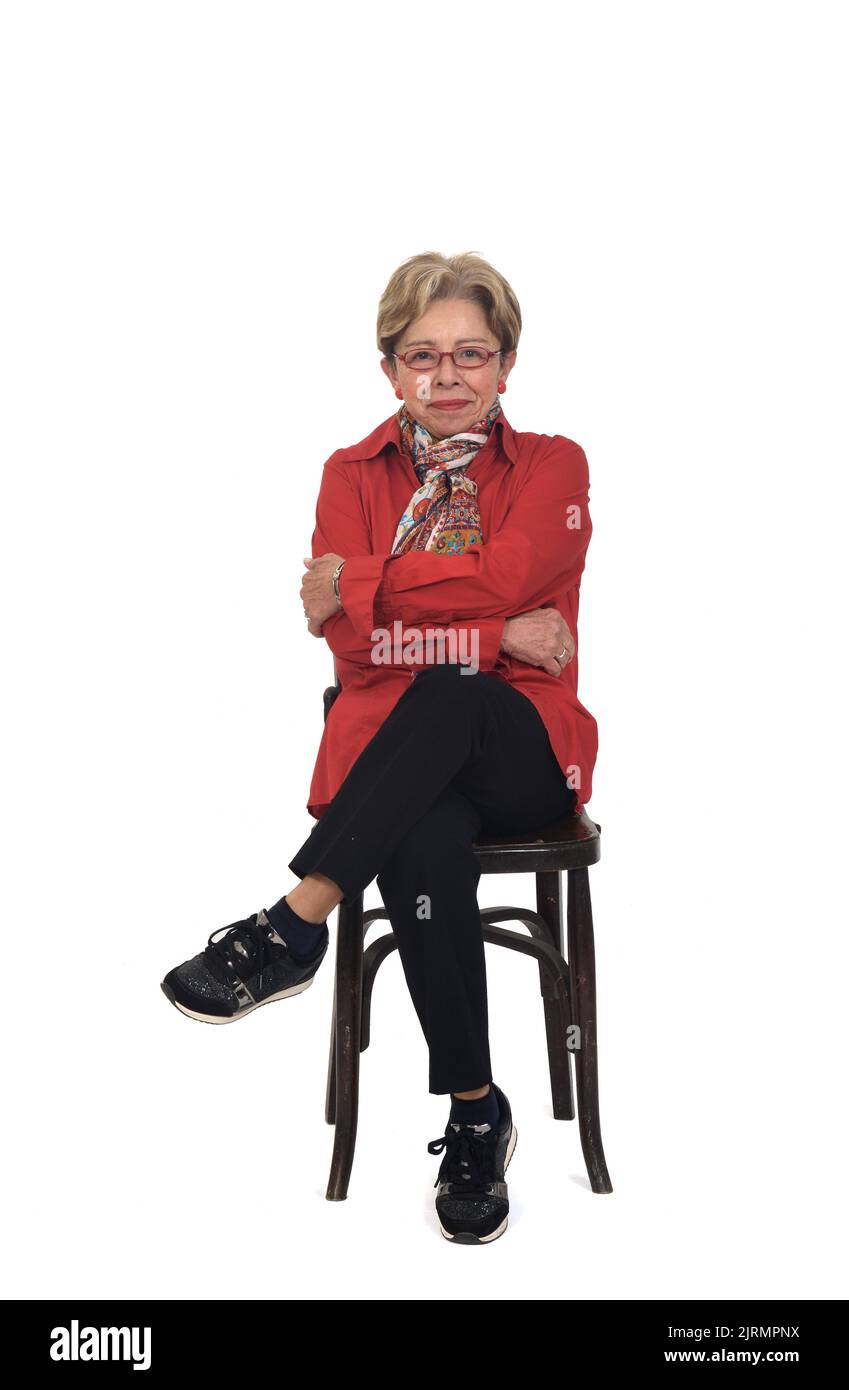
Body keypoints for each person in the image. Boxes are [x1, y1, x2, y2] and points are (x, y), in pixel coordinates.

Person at [160, 251, 598, 1244]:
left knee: (449, 692)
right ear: (391, 370)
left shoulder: (554, 465)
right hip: (396, 768)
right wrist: (491, 628)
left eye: (471, 355)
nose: (448, 377)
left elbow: (498, 576)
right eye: (422, 356)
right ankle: (478, 1112)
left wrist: (364, 582)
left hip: (521, 748)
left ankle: (295, 922)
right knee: (421, 833)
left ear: (507, 363)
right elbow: (356, 640)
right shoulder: (348, 474)